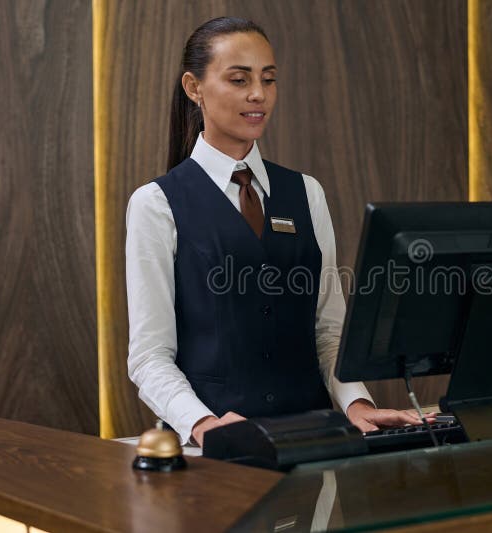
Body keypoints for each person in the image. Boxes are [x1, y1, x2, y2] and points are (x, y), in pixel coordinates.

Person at [126, 17, 427, 447]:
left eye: (268, 80)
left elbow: (329, 330)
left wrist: (357, 403)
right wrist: (200, 422)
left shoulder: (306, 193)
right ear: (194, 88)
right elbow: (149, 357)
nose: (258, 94)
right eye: (238, 79)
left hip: (317, 438)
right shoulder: (155, 204)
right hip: (216, 452)